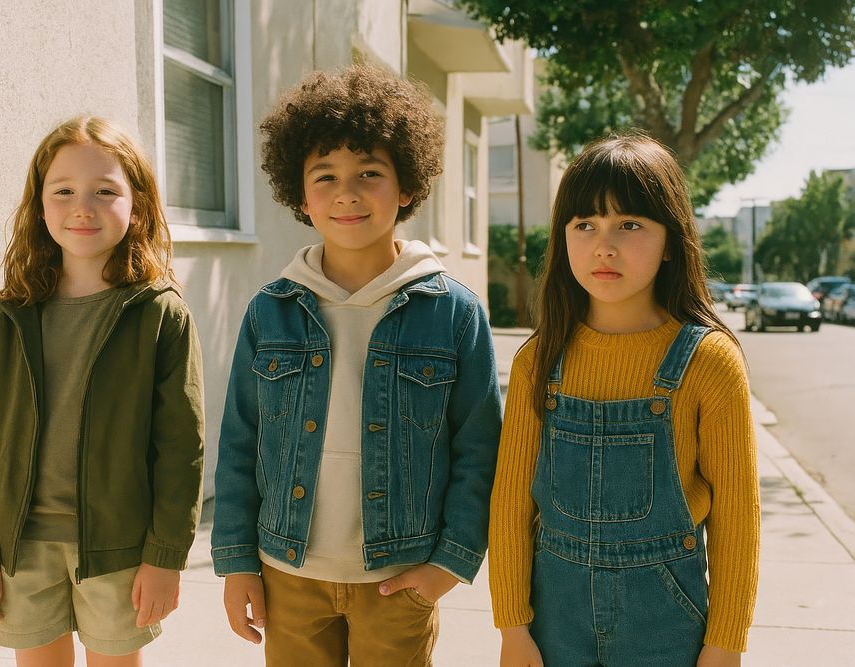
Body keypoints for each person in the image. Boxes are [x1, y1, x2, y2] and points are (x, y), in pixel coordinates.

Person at [211, 64, 502, 666]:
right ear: (301, 196)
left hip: (400, 577)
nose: (347, 192)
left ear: (406, 186)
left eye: (370, 173)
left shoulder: (454, 312)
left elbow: (479, 448)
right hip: (287, 572)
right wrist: (237, 561)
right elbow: (240, 440)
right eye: (326, 176)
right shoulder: (271, 310)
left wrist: (450, 564)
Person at [489, 133, 760, 667]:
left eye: (630, 224)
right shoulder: (538, 362)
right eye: (584, 224)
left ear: (671, 240)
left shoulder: (710, 362)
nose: (603, 246)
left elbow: (737, 519)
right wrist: (511, 627)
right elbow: (511, 505)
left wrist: (726, 644)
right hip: (553, 625)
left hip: (667, 629)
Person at [0, 116, 205, 666]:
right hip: (21, 543)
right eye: (63, 191)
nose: (82, 207)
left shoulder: (160, 313)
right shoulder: (9, 314)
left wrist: (165, 556)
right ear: (39, 206)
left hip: (120, 546)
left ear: (137, 206)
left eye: (105, 191)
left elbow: (180, 449)